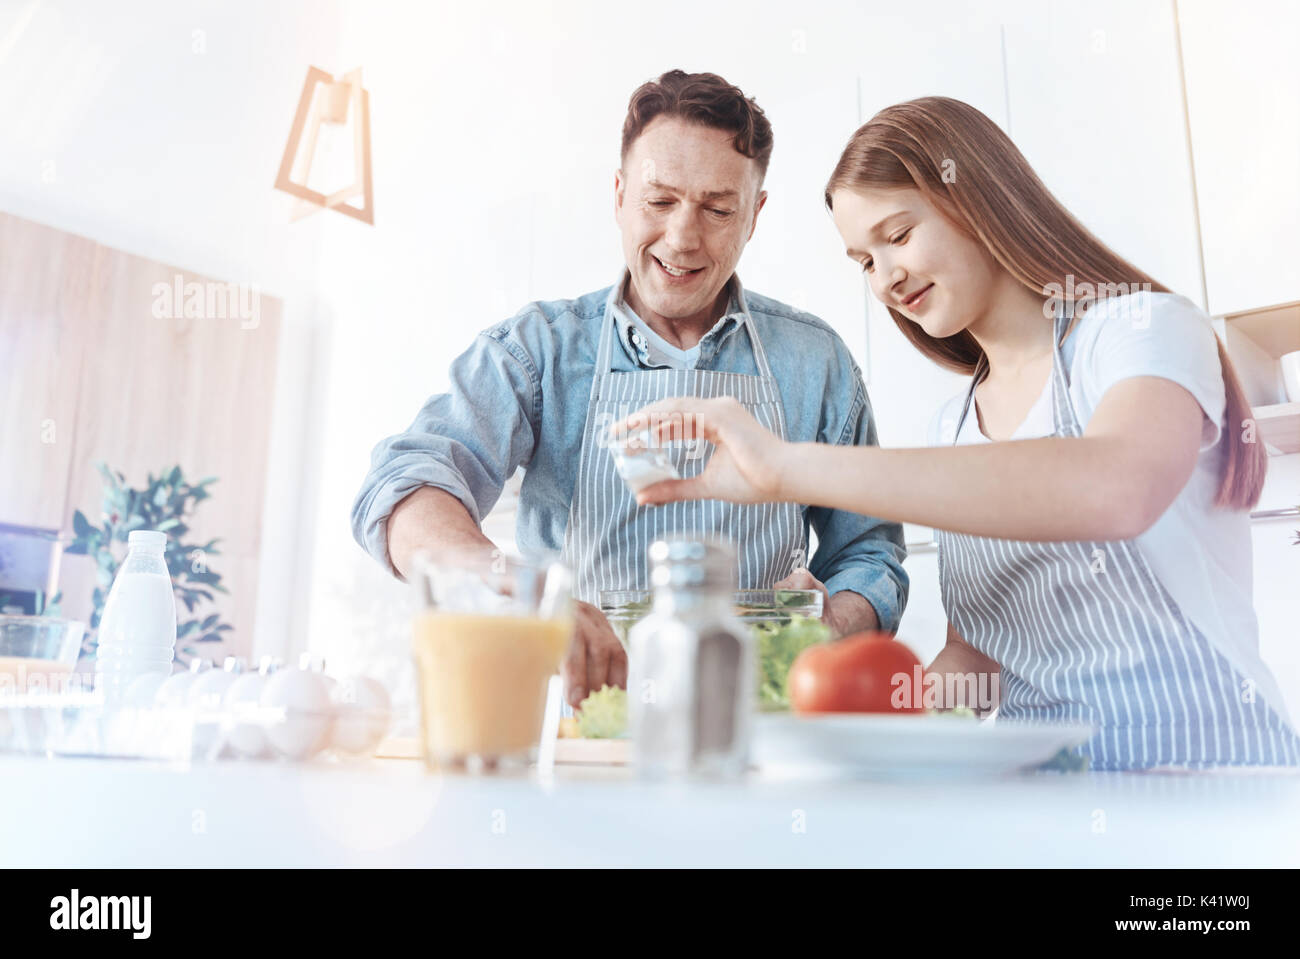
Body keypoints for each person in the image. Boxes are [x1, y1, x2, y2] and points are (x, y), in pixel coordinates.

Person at [613, 96, 1300, 771]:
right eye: (864, 260)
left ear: (978, 198)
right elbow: (974, 664)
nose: (886, 277)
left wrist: (784, 466)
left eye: (899, 235)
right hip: (1044, 799)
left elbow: (1113, 485)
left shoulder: (1139, 331)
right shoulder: (954, 428)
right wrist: (815, 713)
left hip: (1218, 783)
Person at [351, 70, 908, 709]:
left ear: (753, 216)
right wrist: (524, 592)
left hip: (761, 723)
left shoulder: (817, 361)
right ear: (618, 195)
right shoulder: (539, 351)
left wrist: (834, 623)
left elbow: (868, 551)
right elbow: (407, 480)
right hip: (578, 723)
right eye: (659, 201)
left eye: (718, 209)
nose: (682, 238)